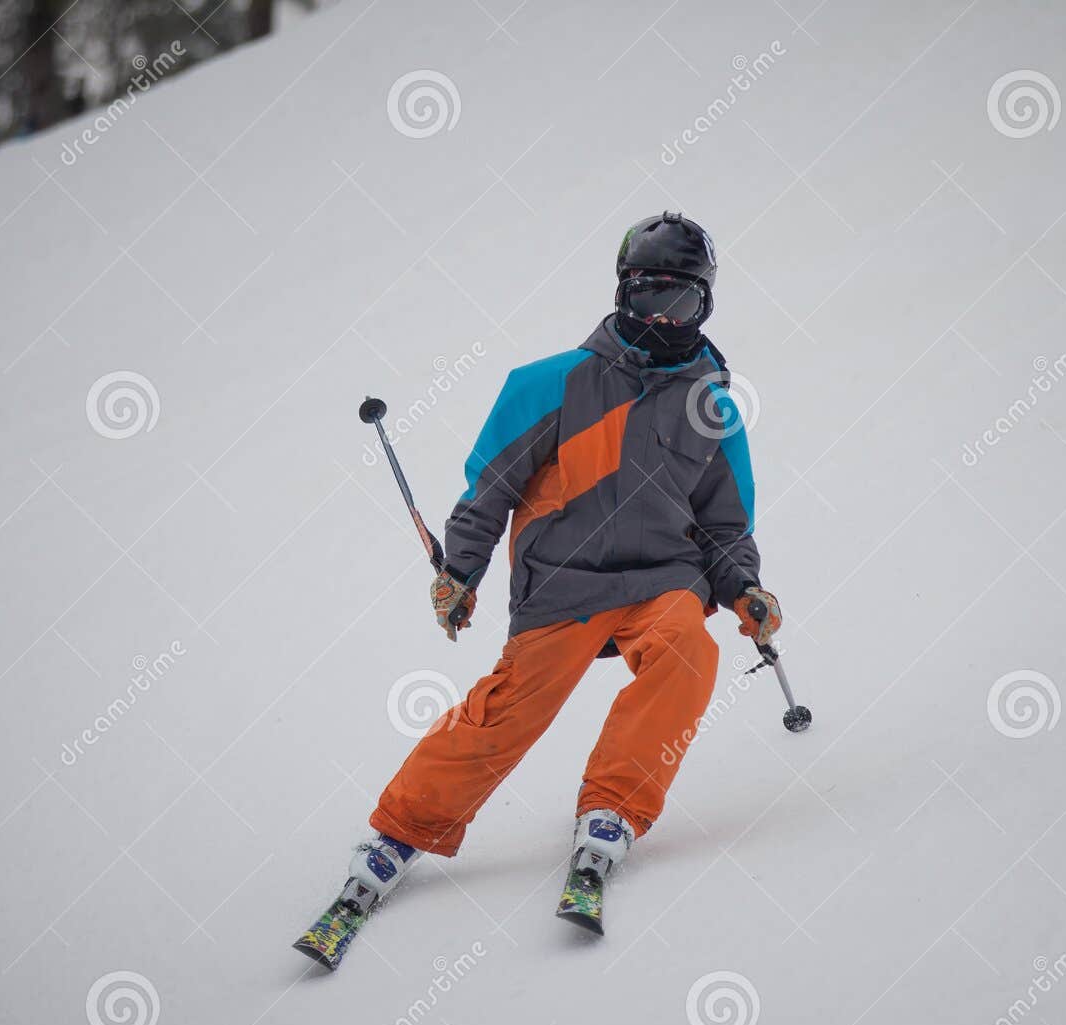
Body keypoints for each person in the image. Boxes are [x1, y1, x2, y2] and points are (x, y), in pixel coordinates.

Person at [306, 211, 782, 957]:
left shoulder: (712, 407)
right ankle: (398, 834)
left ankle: (612, 812)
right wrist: (460, 571)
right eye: (650, 296)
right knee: (509, 711)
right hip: (562, 583)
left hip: (664, 579)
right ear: (622, 293)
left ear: (705, 305)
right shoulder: (550, 385)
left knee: (689, 649)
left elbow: (725, 525)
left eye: (682, 302)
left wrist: (746, 589)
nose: (663, 317)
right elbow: (488, 489)